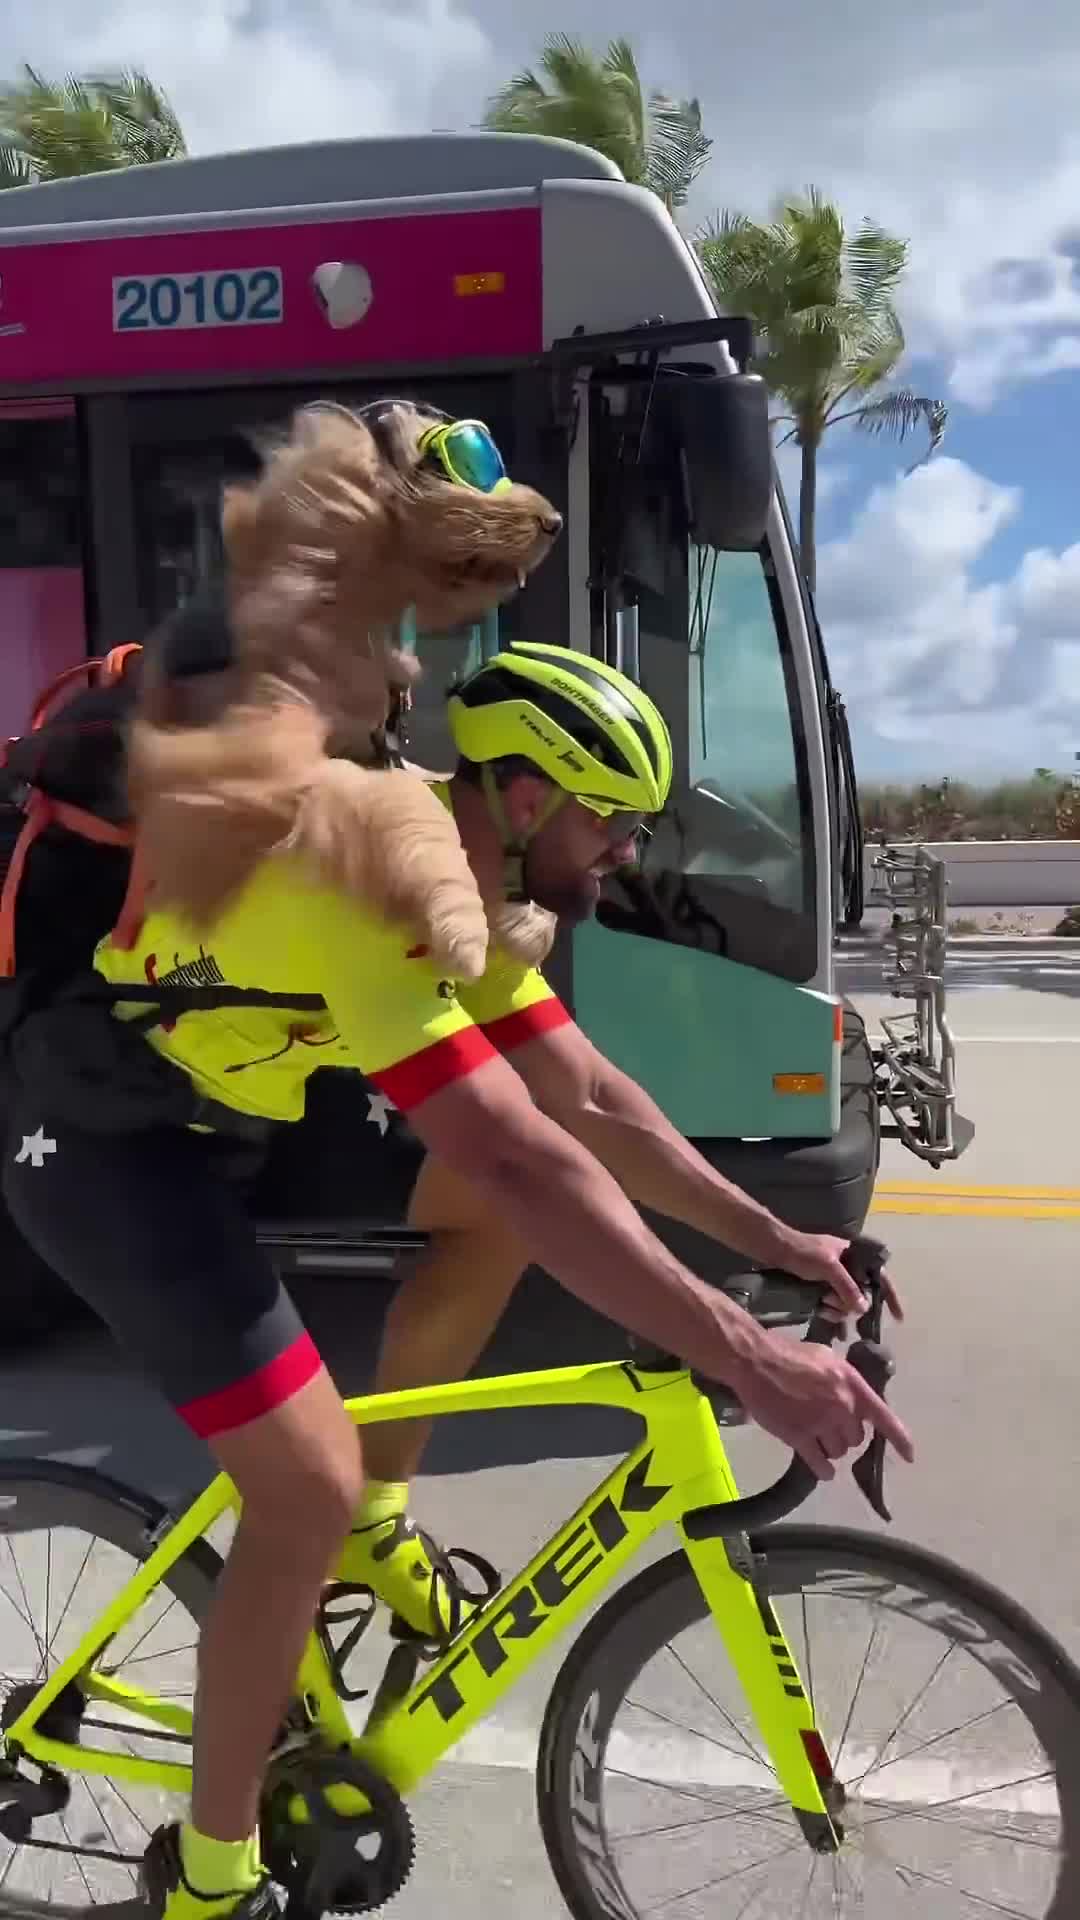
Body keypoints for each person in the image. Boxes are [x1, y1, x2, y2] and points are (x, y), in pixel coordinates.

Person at [3, 642, 912, 1920]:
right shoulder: (370, 882)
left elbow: (588, 1096)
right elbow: (523, 1150)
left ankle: (374, 1514)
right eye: (615, 823)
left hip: (222, 1118)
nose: (627, 856)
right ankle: (212, 1885)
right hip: (104, 1150)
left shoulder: (455, 878)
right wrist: (748, 1355)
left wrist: (776, 1243)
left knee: (481, 1219)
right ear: (531, 796)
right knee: (300, 1479)